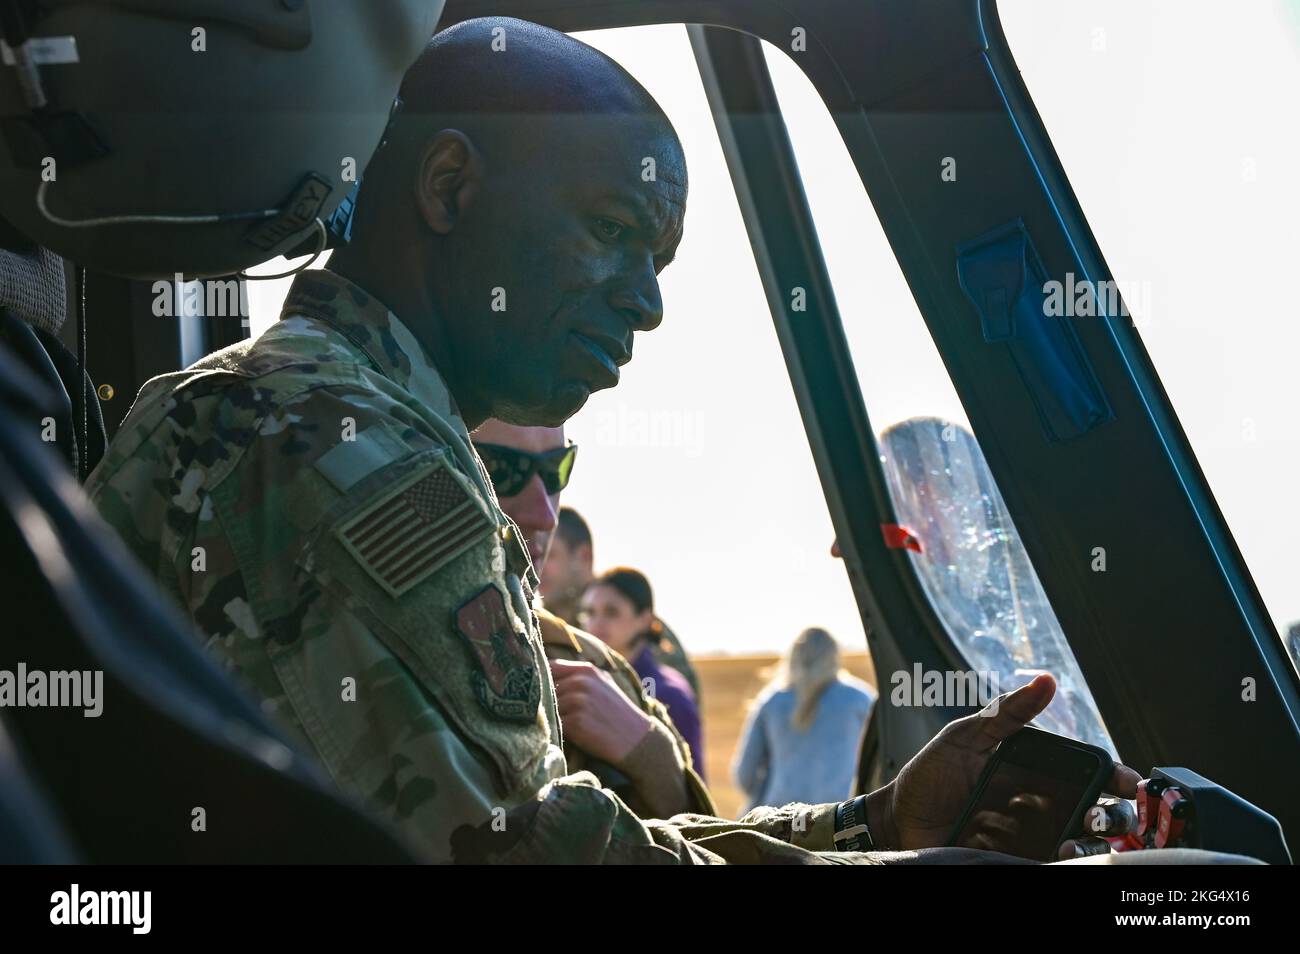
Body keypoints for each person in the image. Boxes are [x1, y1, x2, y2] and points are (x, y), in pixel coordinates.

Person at [85, 17, 1203, 864]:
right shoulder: (326, 444)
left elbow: (558, 838)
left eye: (657, 264)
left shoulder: (350, 420)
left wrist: (876, 824)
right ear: (447, 187)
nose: (646, 305)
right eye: (614, 235)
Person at [472, 418, 712, 817]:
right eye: (500, 471)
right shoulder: (371, 641)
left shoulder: (600, 661)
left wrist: (654, 758)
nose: (545, 514)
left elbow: (694, 837)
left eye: (555, 471)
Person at [543, 505, 702, 698]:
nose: (537, 564)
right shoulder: (538, 627)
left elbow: (672, 715)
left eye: (549, 554)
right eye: (533, 551)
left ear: (584, 557)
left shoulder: (638, 633)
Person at [579, 567, 704, 778]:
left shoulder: (669, 693)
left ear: (645, 619)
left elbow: (694, 788)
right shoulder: (586, 681)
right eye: (590, 613)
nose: (596, 624)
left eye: (612, 612)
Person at [734, 628, 875, 811]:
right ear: (834, 657)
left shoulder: (772, 701)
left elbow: (744, 775)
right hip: (840, 819)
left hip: (780, 821)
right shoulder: (860, 700)